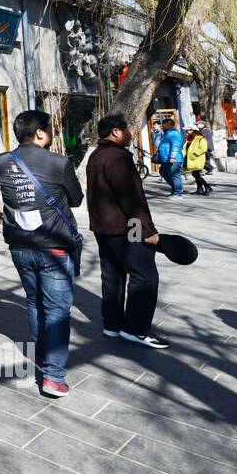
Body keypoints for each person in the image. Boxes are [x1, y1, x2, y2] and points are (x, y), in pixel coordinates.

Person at [0, 110, 85, 398]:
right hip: (53, 246)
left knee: (34, 301)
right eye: (50, 129)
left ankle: (41, 357)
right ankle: (53, 378)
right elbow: (76, 199)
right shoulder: (58, 163)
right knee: (57, 311)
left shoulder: (1, 161)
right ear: (40, 134)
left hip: (19, 245)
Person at [86, 113, 169, 349]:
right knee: (145, 276)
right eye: (128, 129)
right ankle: (136, 329)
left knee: (112, 275)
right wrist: (147, 229)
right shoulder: (117, 157)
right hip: (126, 227)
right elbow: (130, 198)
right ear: (115, 132)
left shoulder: (96, 155)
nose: (132, 133)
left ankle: (112, 325)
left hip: (103, 227)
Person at [155, 117, 185, 197]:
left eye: (163, 125)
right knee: (163, 171)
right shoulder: (167, 133)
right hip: (166, 159)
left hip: (174, 159)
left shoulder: (174, 134)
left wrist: (172, 157)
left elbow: (175, 146)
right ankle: (175, 188)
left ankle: (178, 192)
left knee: (175, 175)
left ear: (168, 125)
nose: (162, 126)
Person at [185, 128, 211, 195]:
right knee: (196, 174)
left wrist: (195, 153)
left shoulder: (200, 138)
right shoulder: (190, 138)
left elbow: (203, 148)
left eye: (188, 130)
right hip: (192, 159)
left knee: (195, 174)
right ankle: (200, 189)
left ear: (193, 130)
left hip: (198, 159)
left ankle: (207, 187)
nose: (186, 131)